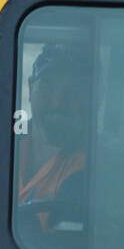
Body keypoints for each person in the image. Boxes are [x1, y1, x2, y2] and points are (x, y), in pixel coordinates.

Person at [17, 43, 91, 233]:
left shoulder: (89, 168)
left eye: (71, 92)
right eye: (47, 88)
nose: (57, 102)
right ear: (31, 87)